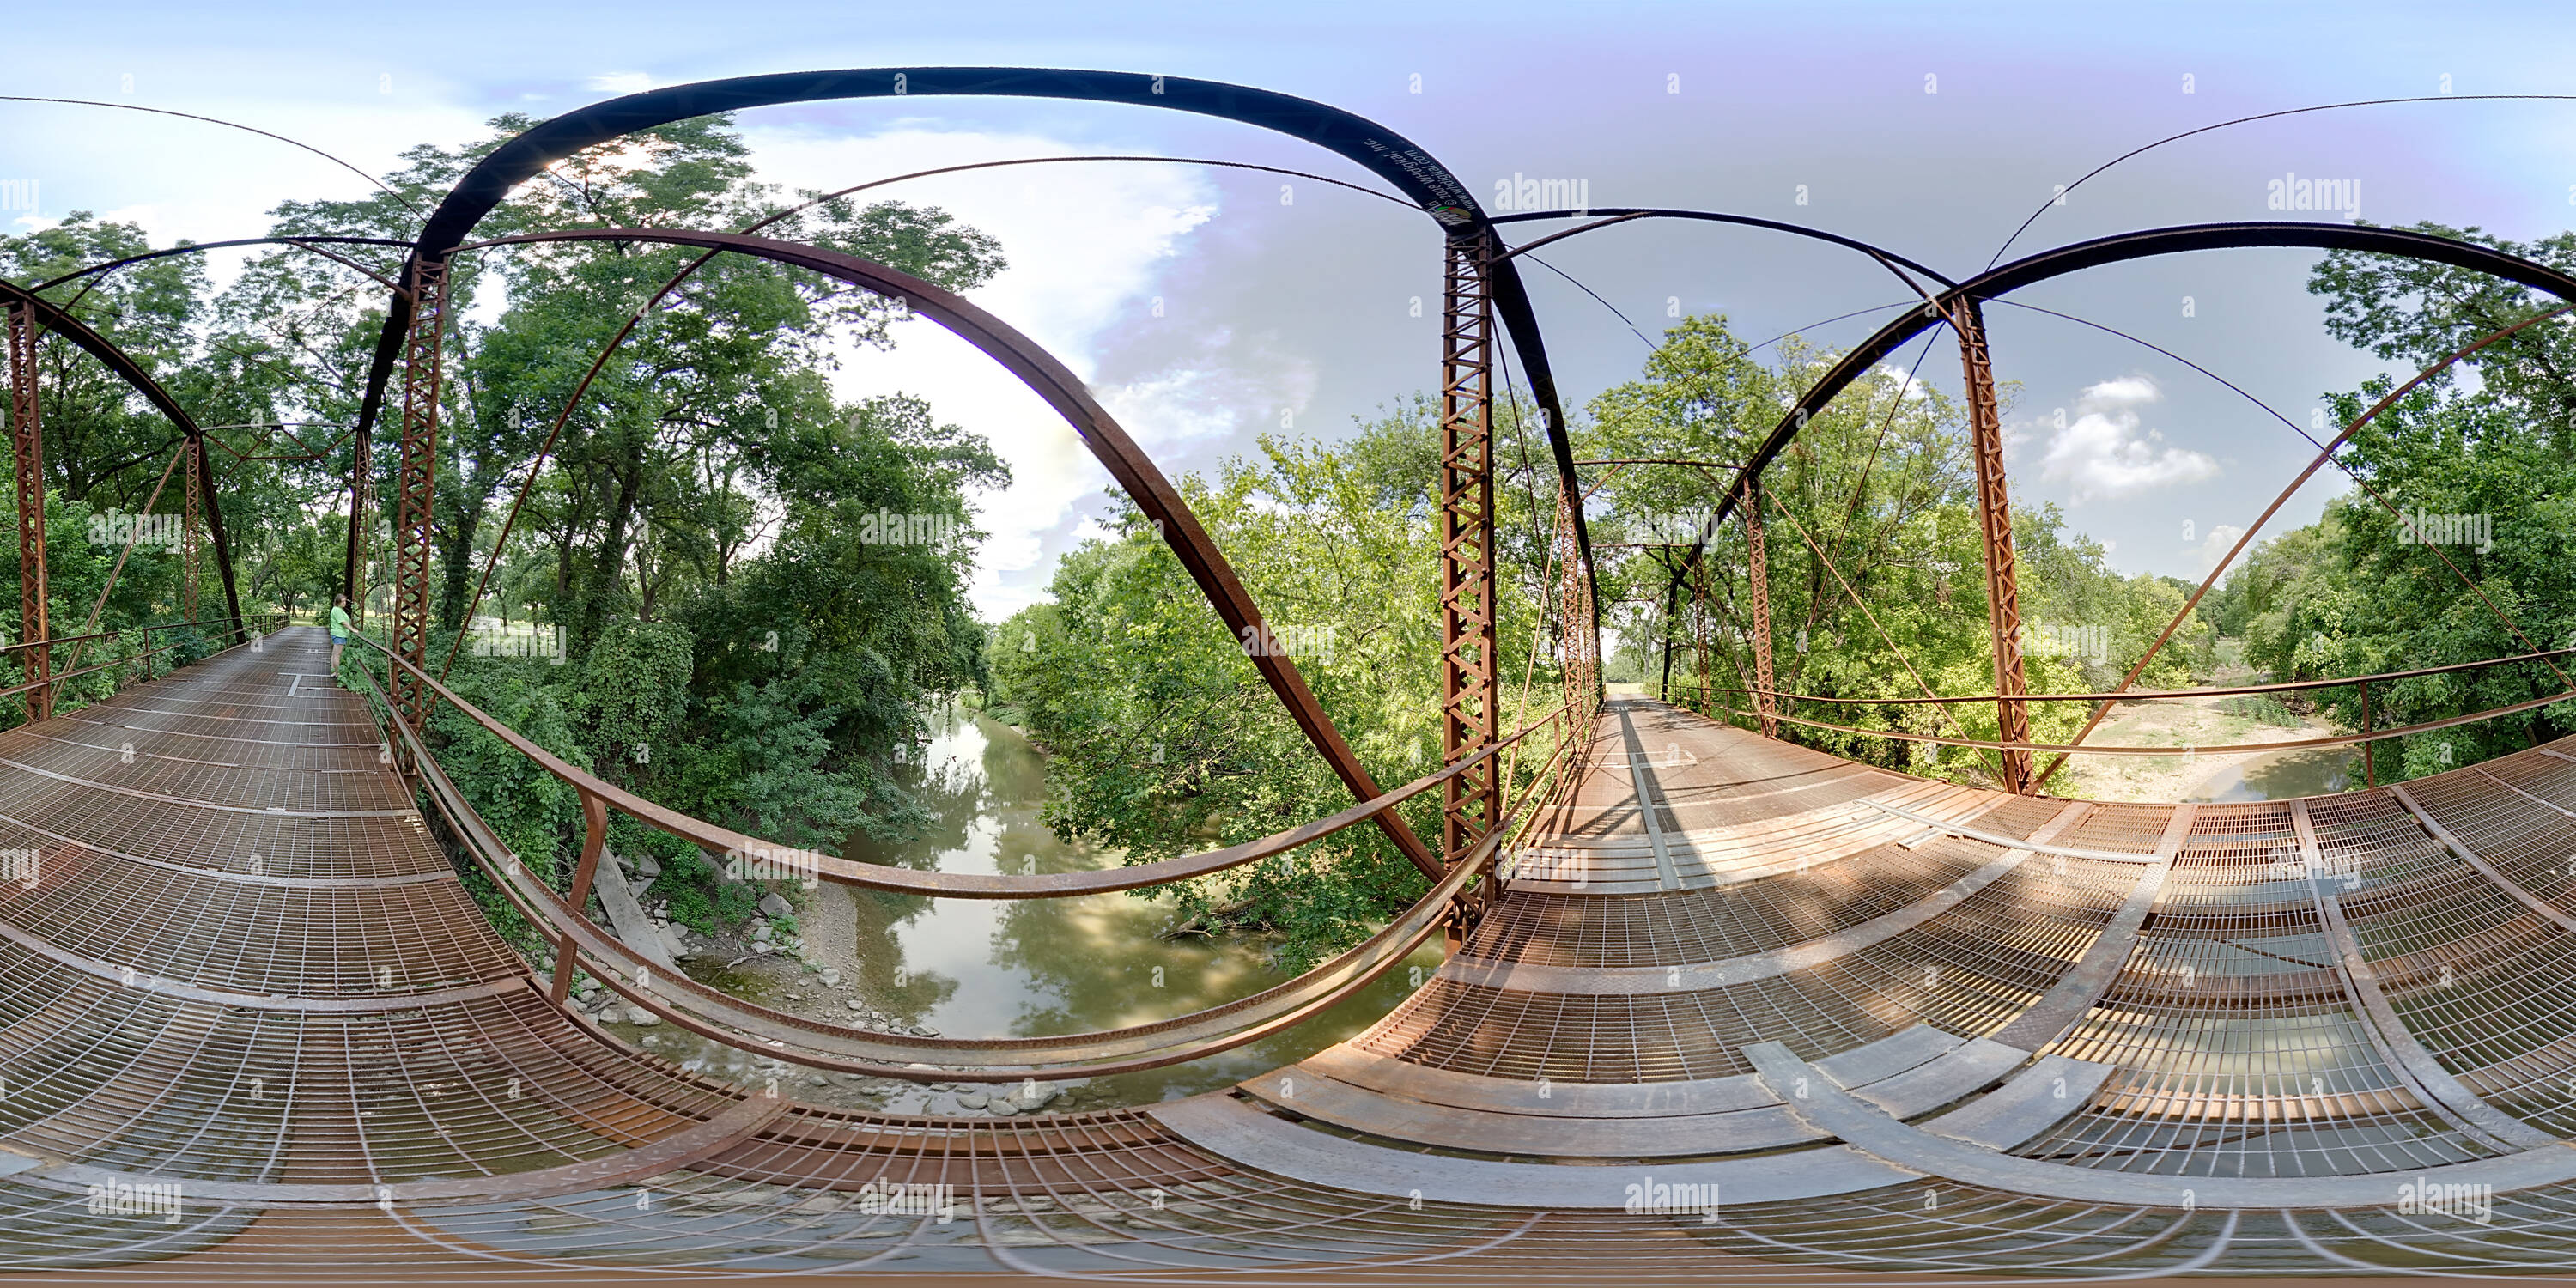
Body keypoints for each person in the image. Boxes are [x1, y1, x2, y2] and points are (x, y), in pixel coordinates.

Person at [328, 595, 353, 685]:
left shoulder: (337, 609)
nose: (344, 603)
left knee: (334, 654)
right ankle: (337, 673)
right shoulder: (337, 610)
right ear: (338, 602)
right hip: (340, 635)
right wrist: (353, 629)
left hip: (337, 634)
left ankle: (333, 671)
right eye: (342, 601)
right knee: (337, 655)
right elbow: (343, 622)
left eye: (345, 601)